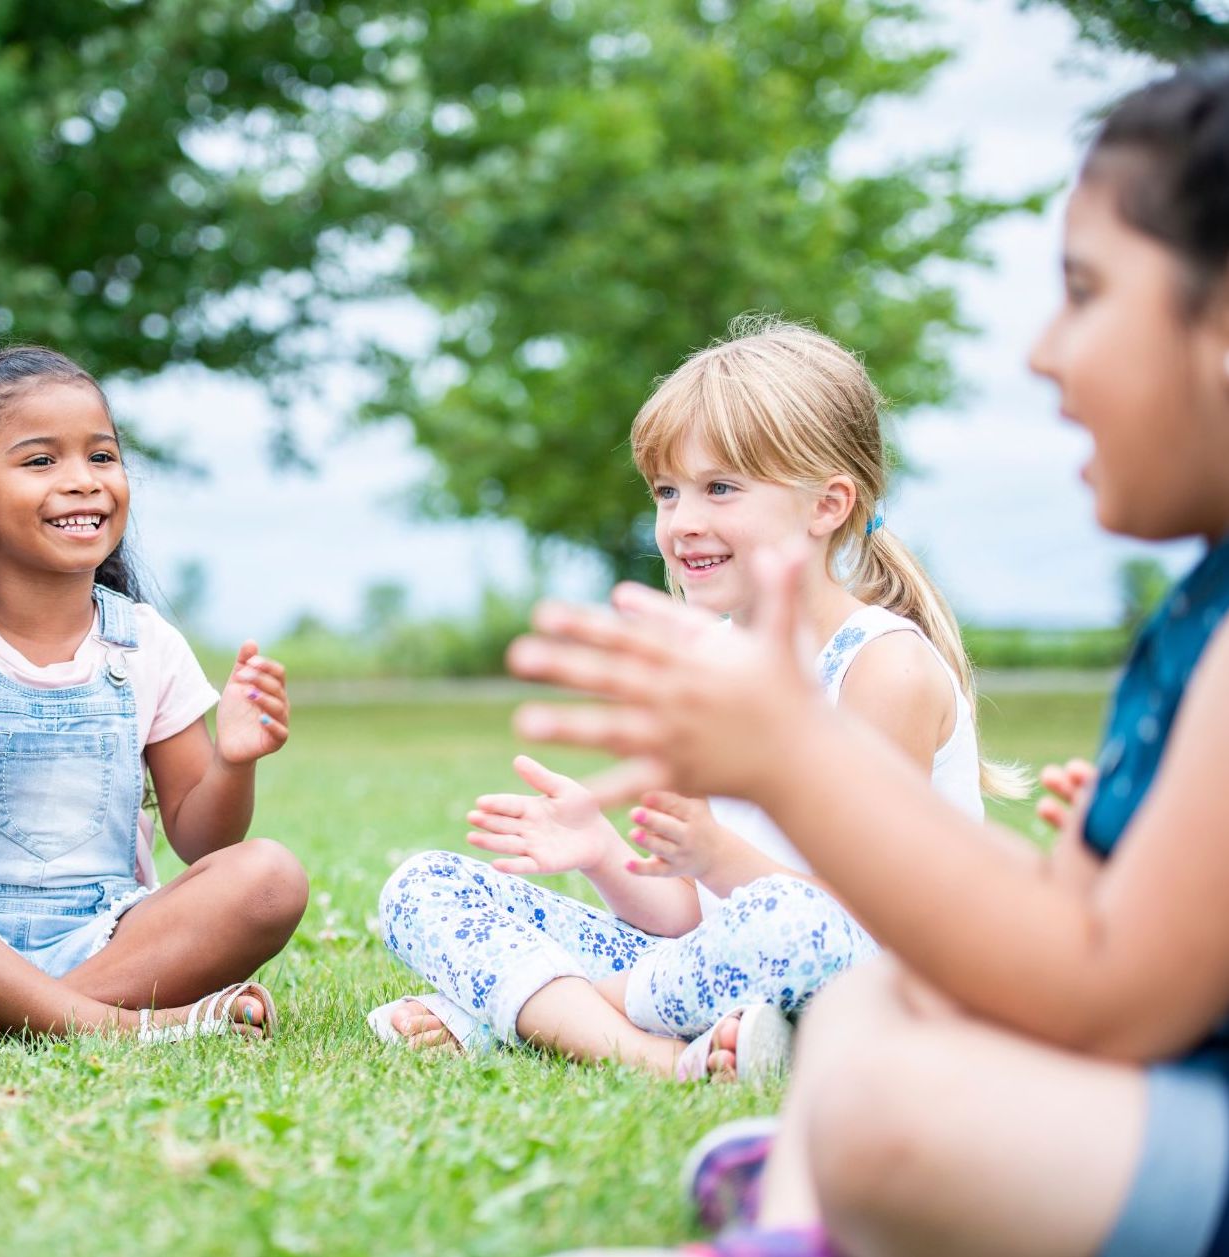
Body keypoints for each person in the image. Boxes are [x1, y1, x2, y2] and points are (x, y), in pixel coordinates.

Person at [515, 58, 1229, 1257]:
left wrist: (791, 761)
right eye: (669, 491)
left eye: (1085, 293)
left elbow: (1115, 1000)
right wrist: (1094, 862)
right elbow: (1082, 944)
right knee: (873, 1009)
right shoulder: (1197, 610)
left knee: (887, 1104)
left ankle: (804, 1193)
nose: (1044, 355)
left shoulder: (888, 662)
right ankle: (797, 1215)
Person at [374, 320, 1013, 1080]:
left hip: (866, 972)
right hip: (701, 969)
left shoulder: (885, 668)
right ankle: (655, 1053)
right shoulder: (703, 660)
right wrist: (604, 854)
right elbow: (685, 914)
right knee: (422, 887)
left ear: (828, 503)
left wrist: (720, 855)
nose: (682, 522)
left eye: (720, 488)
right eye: (667, 492)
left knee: (790, 923)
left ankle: (532, 1011)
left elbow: (870, 911)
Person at [0, 332, 307, 1042]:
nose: (82, 478)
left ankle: (7, 1016)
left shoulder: (147, 644)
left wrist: (235, 760)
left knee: (270, 876)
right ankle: (112, 1025)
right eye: (42, 459)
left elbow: (203, 840)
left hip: (108, 940)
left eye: (101, 455)